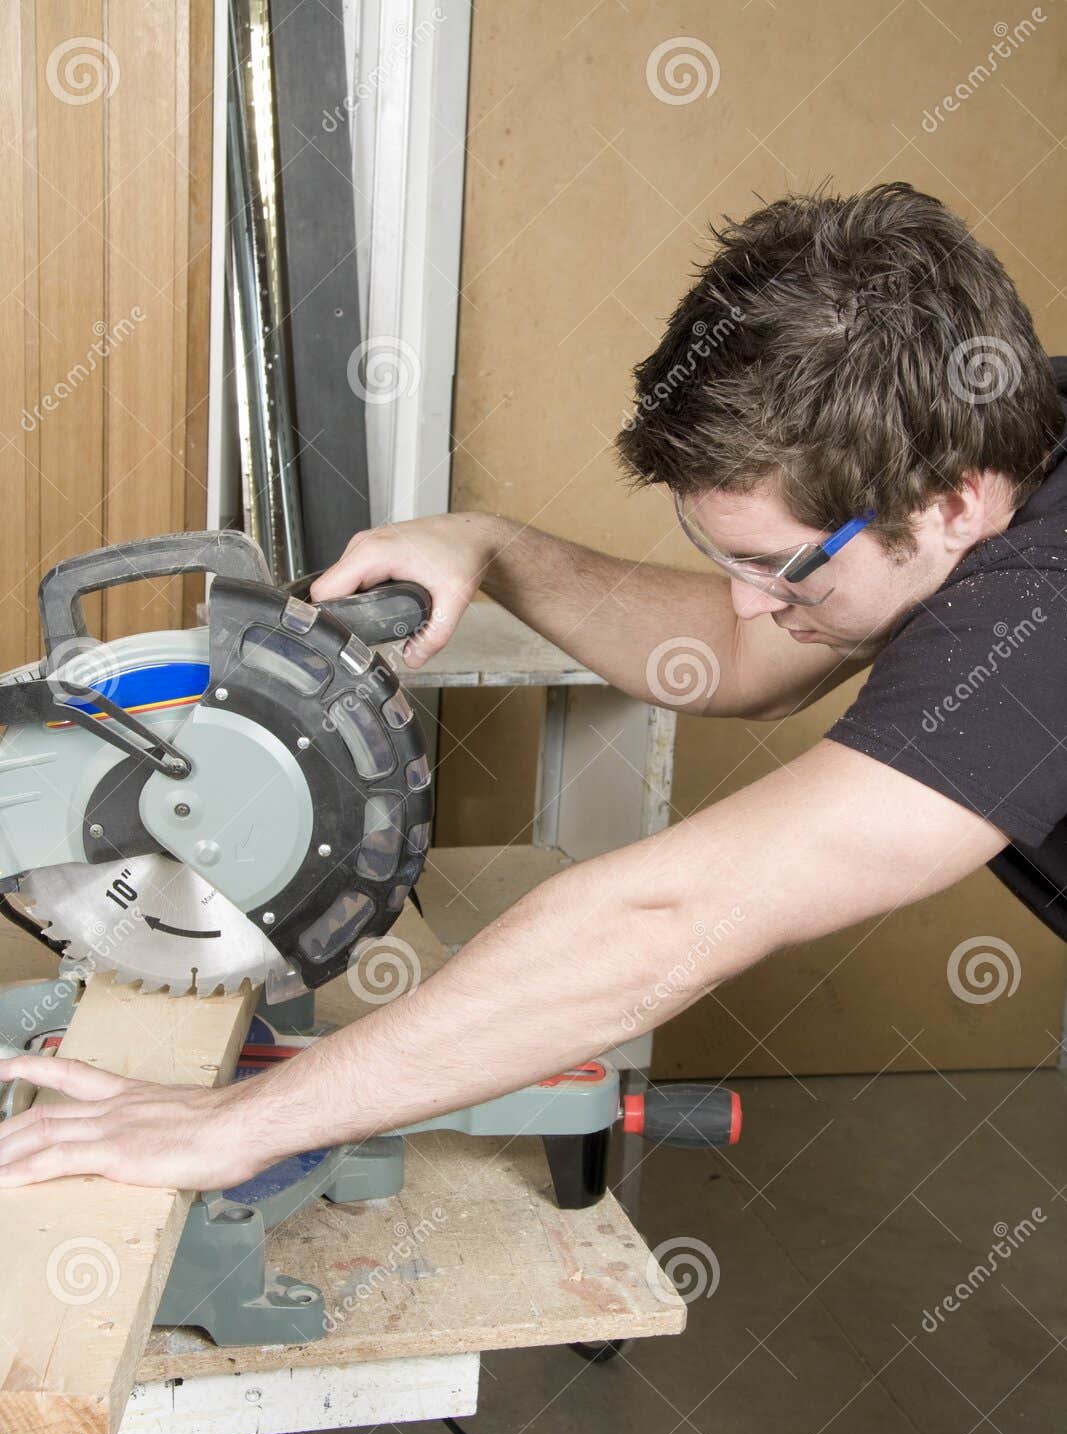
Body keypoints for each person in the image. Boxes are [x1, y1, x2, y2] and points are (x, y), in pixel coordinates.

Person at [0, 182, 1063, 1191]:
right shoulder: (997, 423)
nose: (745, 602)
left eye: (775, 564)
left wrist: (230, 1127)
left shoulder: (1041, 605)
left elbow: (670, 919)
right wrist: (491, 547)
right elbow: (737, 659)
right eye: (726, 558)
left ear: (952, 505)